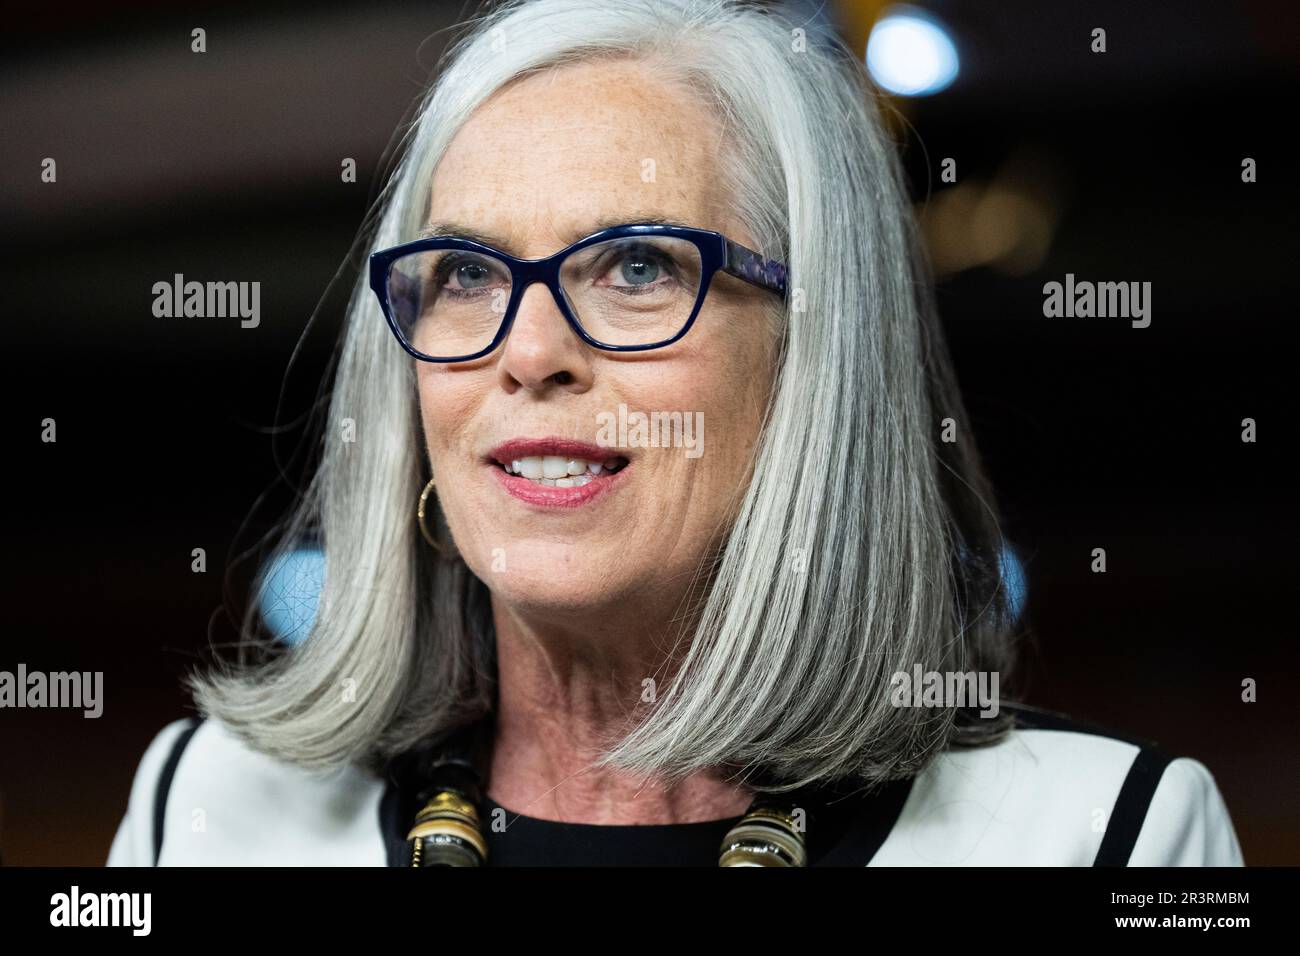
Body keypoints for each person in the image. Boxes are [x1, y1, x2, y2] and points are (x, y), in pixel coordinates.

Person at [107, 0, 1242, 866]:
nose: (527, 349)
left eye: (638, 266)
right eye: (464, 271)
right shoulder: (202, 812)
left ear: (817, 358)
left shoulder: (1109, 834)